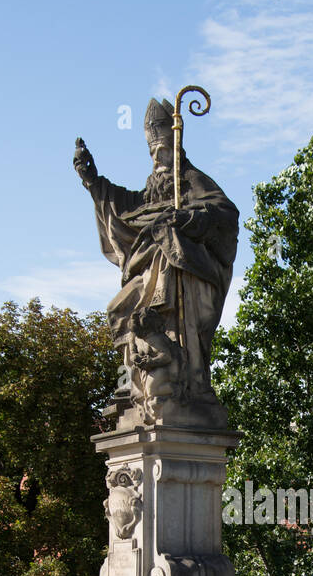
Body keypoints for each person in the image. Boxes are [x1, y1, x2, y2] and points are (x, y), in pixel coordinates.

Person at [73, 97, 239, 424]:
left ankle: (186, 380)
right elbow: (128, 208)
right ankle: (130, 388)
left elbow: (225, 214)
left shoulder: (191, 180)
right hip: (148, 267)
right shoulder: (153, 188)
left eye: (162, 151)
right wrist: (94, 183)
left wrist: (185, 220)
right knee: (121, 311)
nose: (157, 158)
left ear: (175, 148)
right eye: (152, 153)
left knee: (164, 266)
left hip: (184, 270)